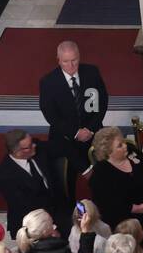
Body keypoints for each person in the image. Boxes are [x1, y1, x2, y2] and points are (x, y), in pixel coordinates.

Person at [39, 40, 110, 198]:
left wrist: (90, 129)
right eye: (65, 61)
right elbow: (50, 115)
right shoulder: (48, 82)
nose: (71, 65)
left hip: (92, 132)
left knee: (104, 176)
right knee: (64, 185)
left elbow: (102, 101)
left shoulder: (92, 72)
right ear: (58, 60)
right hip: (65, 137)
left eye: (74, 60)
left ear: (79, 57)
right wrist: (76, 133)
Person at [87, 127, 143, 248]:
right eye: (120, 146)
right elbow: (105, 205)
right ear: (108, 153)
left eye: (124, 142)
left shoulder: (133, 153)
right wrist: (134, 208)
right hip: (130, 220)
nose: (125, 146)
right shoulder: (100, 173)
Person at [0, 129, 63, 238]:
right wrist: (51, 227)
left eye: (32, 142)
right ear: (17, 152)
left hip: (57, 208)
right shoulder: (6, 176)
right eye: (29, 146)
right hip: (32, 222)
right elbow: (25, 207)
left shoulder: (37, 149)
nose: (34, 146)